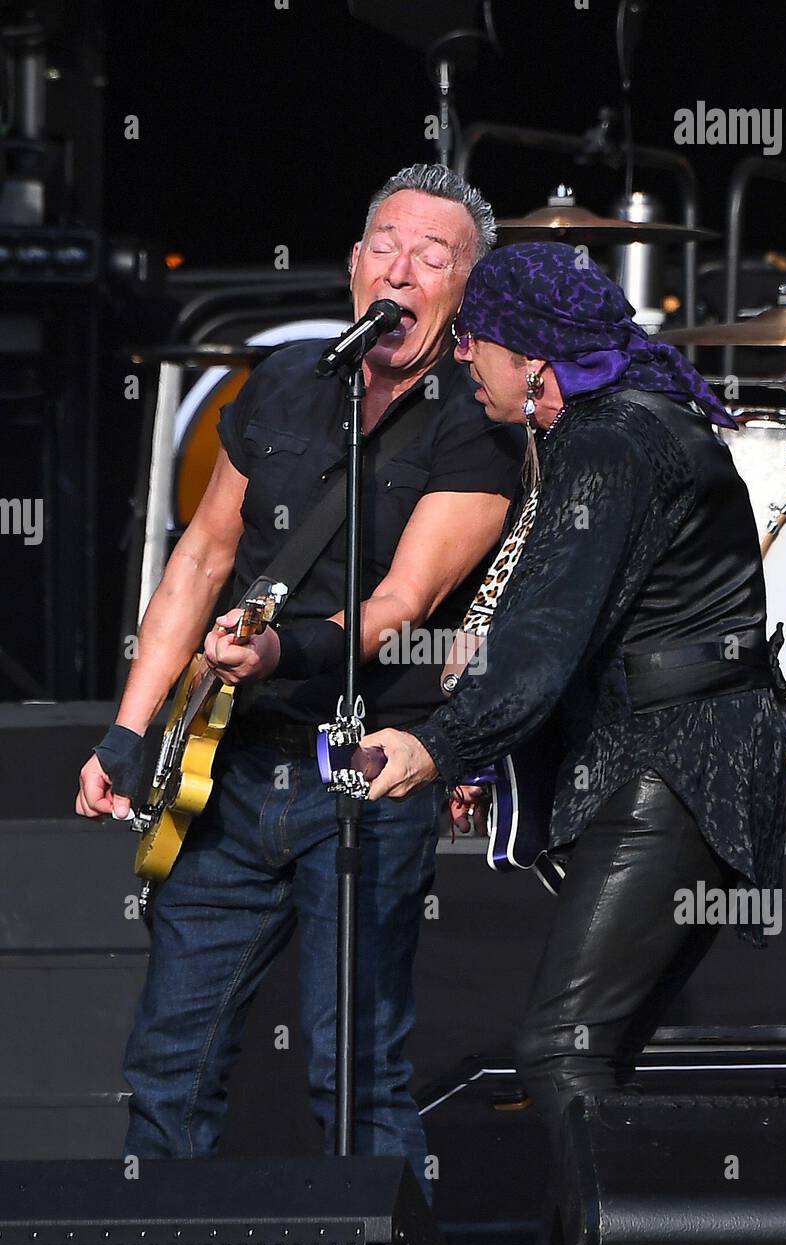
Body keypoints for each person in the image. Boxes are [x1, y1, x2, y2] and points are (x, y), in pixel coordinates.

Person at [74, 164, 523, 1190]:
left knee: (353, 1071)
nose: (401, 270)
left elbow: (403, 602)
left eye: (432, 256)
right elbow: (201, 557)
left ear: (465, 290)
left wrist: (284, 648)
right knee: (170, 1065)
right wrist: (128, 733)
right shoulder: (280, 380)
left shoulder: (474, 420)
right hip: (231, 769)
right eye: (385, 247)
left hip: (365, 777)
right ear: (354, 265)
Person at [363, 241, 786, 1148]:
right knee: (597, 1048)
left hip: (677, 764)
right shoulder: (622, 424)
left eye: (475, 337)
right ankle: (598, 1238)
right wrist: (489, 745)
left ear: (532, 359)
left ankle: (633, 1233)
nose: (461, 354)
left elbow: (548, 633)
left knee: (562, 1049)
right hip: (680, 748)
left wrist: (440, 743)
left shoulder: (610, 442)